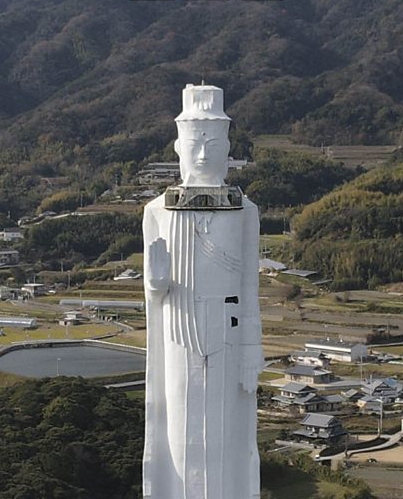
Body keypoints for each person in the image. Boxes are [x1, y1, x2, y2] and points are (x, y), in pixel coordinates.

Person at [142, 84, 262, 499]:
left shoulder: (245, 211)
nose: (203, 156)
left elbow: (249, 286)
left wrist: (252, 348)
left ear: (227, 148)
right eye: (195, 145)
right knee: (180, 427)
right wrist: (155, 282)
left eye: (213, 146)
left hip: (228, 335)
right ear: (179, 147)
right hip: (178, 332)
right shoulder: (157, 211)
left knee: (225, 432)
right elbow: (153, 292)